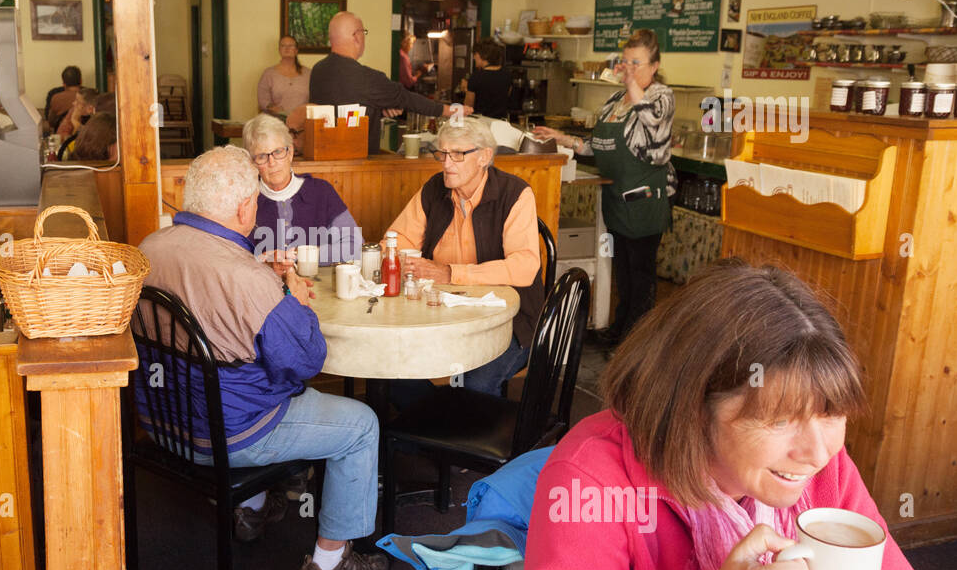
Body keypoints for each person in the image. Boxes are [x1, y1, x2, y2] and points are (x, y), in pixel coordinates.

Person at [497, 260, 955, 570]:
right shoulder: (592, 485)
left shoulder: (819, 469)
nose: (817, 453)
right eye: (778, 420)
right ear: (695, 409)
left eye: (831, 414)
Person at [136, 146, 388, 570]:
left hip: (164, 424)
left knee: (239, 379)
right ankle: (329, 565)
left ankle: (252, 508)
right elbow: (307, 360)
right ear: (243, 207)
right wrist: (292, 298)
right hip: (230, 436)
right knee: (362, 424)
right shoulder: (250, 282)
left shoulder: (149, 249)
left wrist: (257, 272)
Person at [535, 28, 675, 348]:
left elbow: (652, 124)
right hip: (615, 200)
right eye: (626, 62)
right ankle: (619, 328)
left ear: (654, 66)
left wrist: (631, 86)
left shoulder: (660, 97)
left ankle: (636, 342)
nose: (629, 68)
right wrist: (560, 138)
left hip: (643, 201)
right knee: (621, 273)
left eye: (636, 63)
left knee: (640, 277)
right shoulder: (614, 101)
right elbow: (594, 147)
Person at [386, 117, 543, 397]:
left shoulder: (515, 194)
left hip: (510, 321)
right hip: (441, 314)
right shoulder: (435, 189)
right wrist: (406, 261)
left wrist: (449, 273)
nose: (446, 164)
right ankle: (433, 434)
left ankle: (466, 435)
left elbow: (525, 268)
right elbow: (395, 241)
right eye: (442, 153)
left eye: (458, 154)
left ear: (485, 156)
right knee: (393, 368)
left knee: (476, 384)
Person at [308, 11, 468, 155]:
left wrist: (379, 110)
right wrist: (449, 110)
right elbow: (406, 98)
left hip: (323, 158)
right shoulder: (367, 78)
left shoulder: (318, 70)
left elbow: (344, 102)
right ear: (356, 36)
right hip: (357, 165)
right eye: (363, 32)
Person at [244, 114, 360, 269]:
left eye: (278, 152)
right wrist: (263, 261)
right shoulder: (246, 201)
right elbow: (233, 258)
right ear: (253, 163)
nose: (272, 162)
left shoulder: (321, 192)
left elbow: (355, 246)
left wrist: (302, 255)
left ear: (290, 153)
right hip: (266, 289)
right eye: (262, 156)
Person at [257, 37, 310, 115]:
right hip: (276, 122)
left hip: (303, 122)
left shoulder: (308, 73)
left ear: (296, 50)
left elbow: (316, 98)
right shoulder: (268, 74)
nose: (287, 48)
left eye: (291, 45)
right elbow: (263, 100)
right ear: (279, 50)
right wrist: (272, 108)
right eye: (283, 45)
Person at [462, 40, 512, 119]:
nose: (474, 58)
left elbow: (468, 107)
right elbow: (505, 96)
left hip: (481, 123)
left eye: (475, 54)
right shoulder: (507, 75)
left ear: (481, 55)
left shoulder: (476, 77)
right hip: (501, 123)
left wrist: (466, 90)